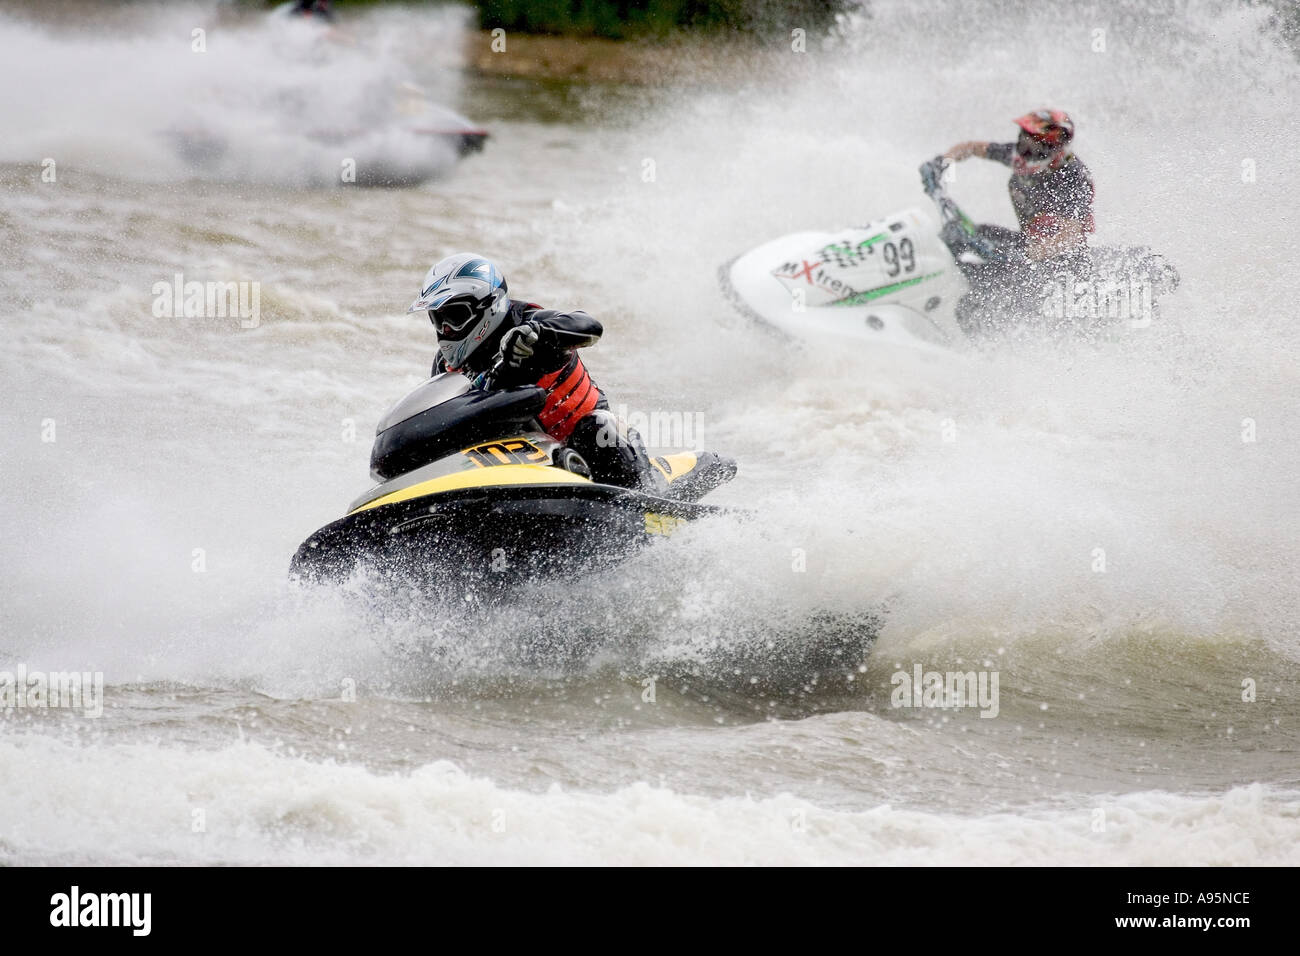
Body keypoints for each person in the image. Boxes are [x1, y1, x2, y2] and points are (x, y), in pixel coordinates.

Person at [407, 253, 662, 491]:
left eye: (455, 315)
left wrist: (539, 335)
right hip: (520, 461)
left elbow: (590, 326)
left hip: (591, 448)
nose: (447, 330)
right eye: (438, 319)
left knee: (598, 427)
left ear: (490, 307)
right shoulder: (444, 366)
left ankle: (646, 505)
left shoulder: (528, 324)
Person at [937, 109, 1095, 331]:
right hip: (1027, 247)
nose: (1022, 145)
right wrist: (944, 167)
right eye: (1022, 137)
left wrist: (1027, 255)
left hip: (1058, 266)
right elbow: (971, 148)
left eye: (1031, 142)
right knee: (966, 233)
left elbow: (1071, 233)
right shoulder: (1019, 157)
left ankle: (972, 332)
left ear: (1049, 146)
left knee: (987, 279)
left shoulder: (1070, 175)